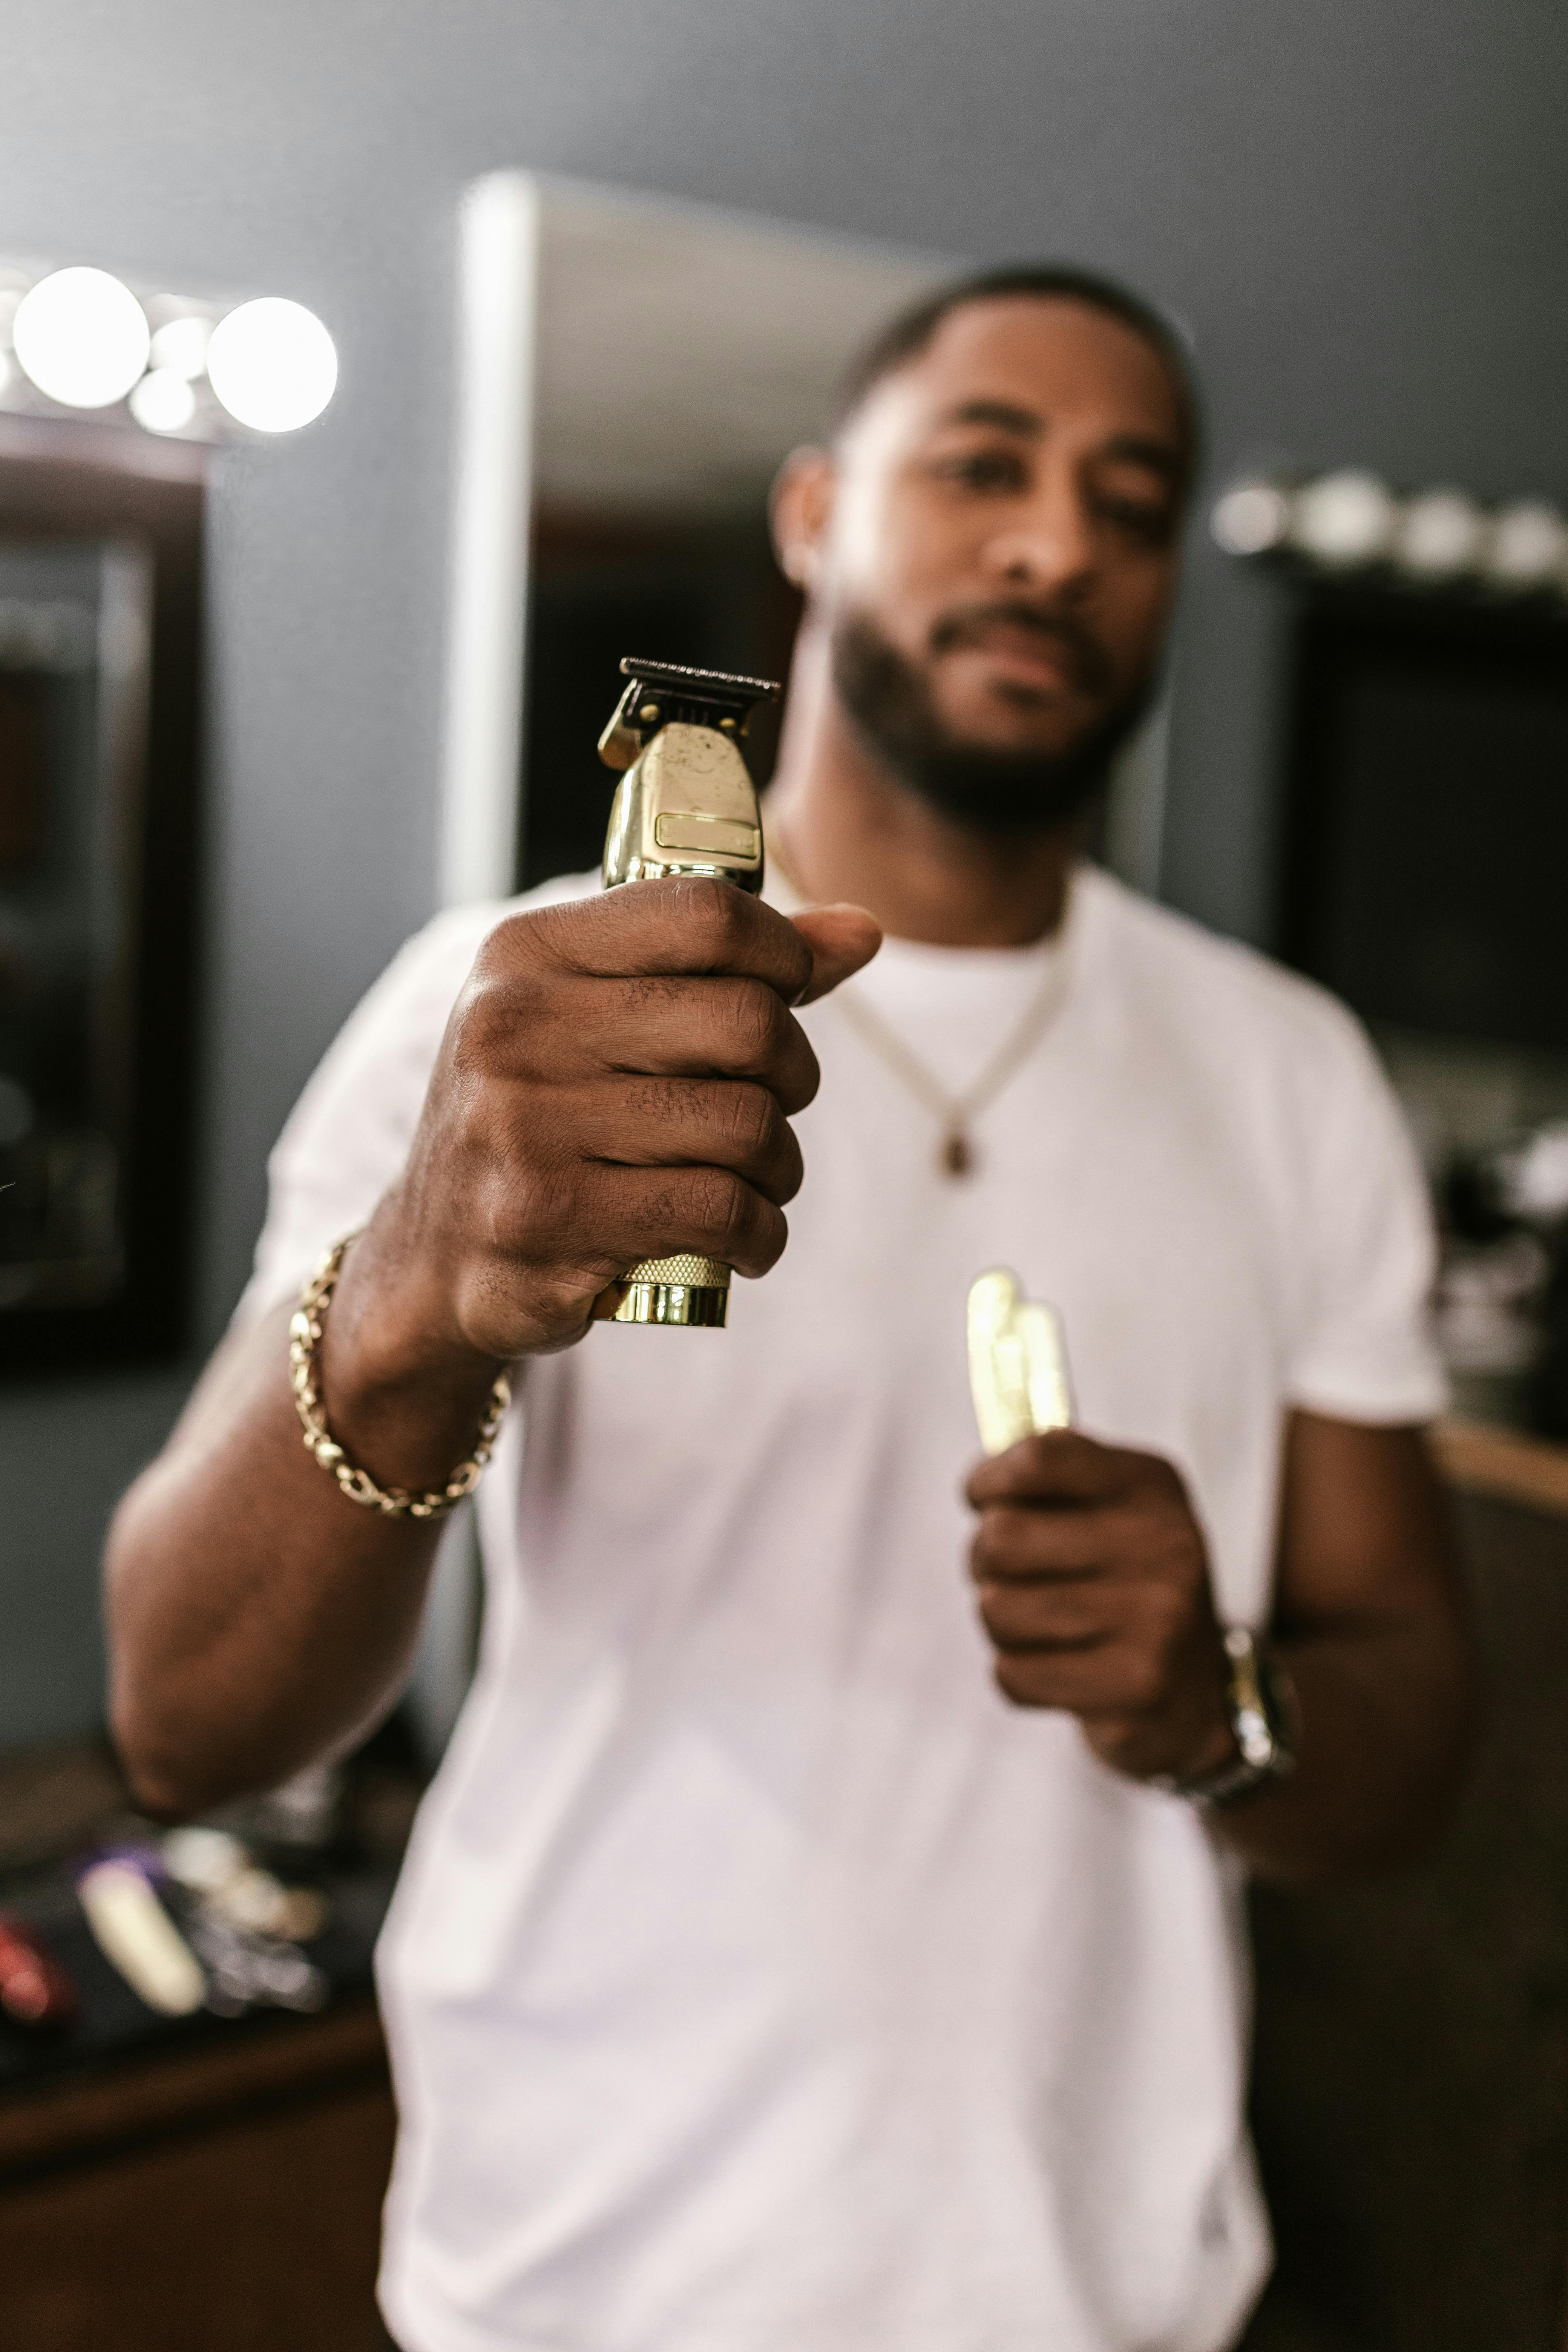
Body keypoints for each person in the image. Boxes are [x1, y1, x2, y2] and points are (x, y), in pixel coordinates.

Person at [106, 264, 1477, 2352]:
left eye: (1132, 501)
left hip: (1102, 2291)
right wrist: (415, 1298)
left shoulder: (1287, 1074)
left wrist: (1214, 1697)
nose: (1057, 544)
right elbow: (185, 1718)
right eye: (987, 467)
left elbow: (1406, 1750)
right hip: (581, 2269)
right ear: (820, 511)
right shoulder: (509, 1009)